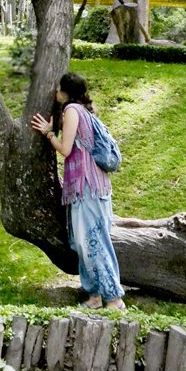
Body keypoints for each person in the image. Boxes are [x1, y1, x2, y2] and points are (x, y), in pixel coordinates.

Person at [30, 71, 125, 311]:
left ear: (66, 92)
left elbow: (65, 148)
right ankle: (94, 297)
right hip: (89, 188)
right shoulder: (80, 111)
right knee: (83, 243)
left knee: (94, 243)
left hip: (87, 188)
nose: (55, 93)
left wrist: (48, 133)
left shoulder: (72, 111)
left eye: (58, 88)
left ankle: (114, 300)